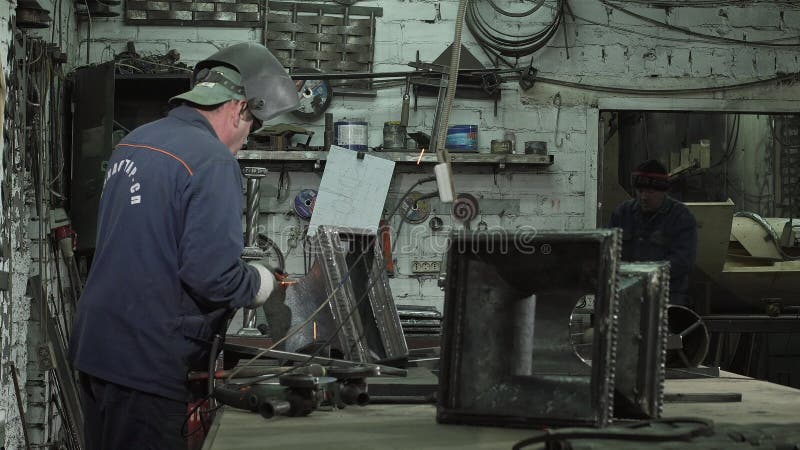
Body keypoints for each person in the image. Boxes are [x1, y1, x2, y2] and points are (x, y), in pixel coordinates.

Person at [69, 43, 299, 450]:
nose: (247, 139)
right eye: (253, 125)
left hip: (97, 347)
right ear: (240, 108)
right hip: (145, 358)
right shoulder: (211, 160)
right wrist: (261, 283)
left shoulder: (136, 142)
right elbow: (212, 276)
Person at [609, 159, 698, 307]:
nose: (644, 196)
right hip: (627, 293)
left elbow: (683, 261)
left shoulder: (681, 217)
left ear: (664, 191)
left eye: (651, 192)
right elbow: (609, 252)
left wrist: (645, 276)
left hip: (667, 295)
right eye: (640, 191)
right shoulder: (622, 214)